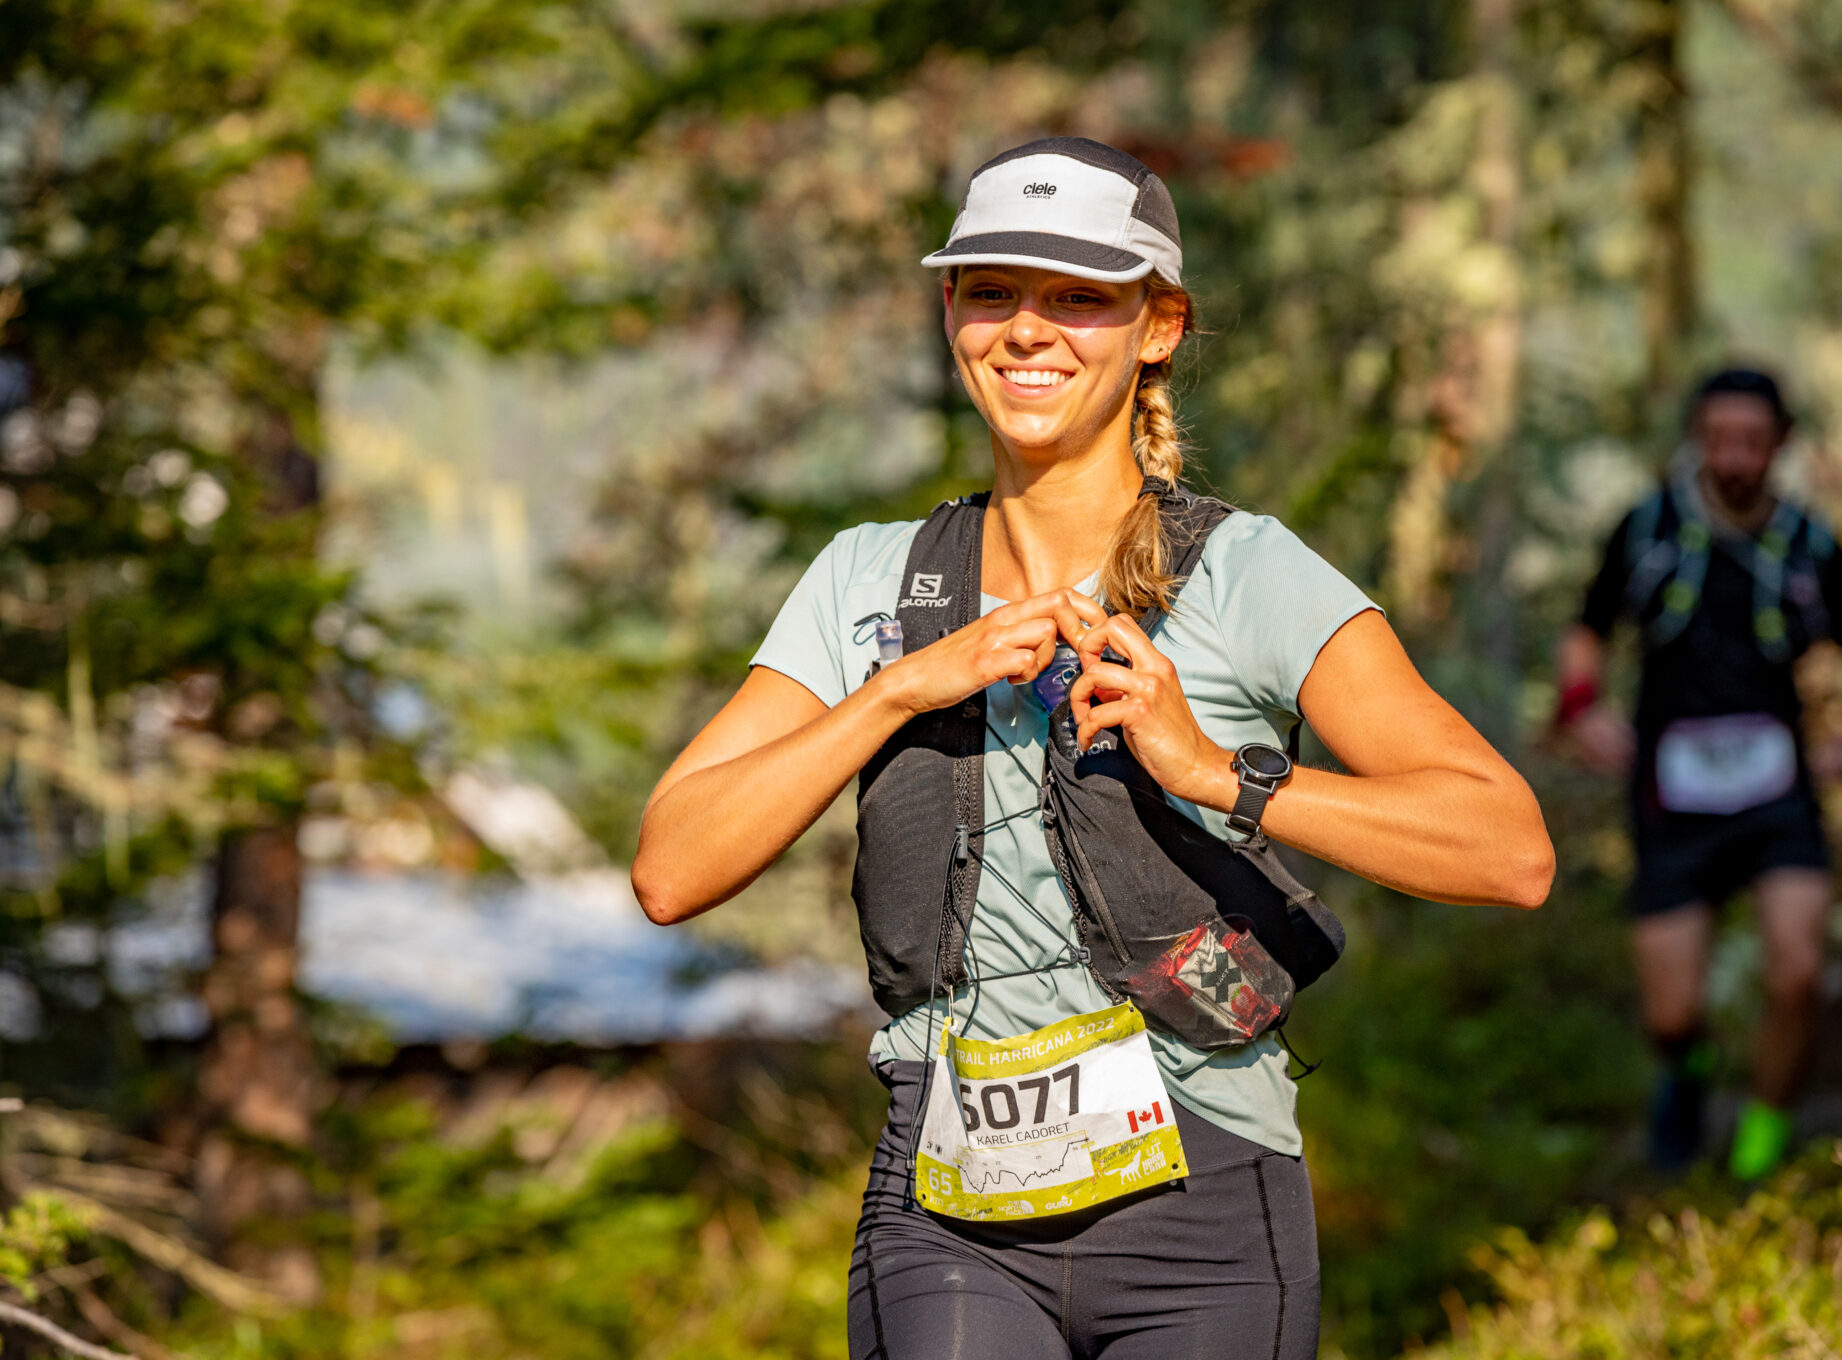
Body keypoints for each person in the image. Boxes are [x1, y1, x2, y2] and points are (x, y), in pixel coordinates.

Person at [632, 137, 1553, 1360]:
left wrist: (1215, 772)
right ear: (950, 313)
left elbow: (1509, 849)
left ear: (1158, 326)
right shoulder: (867, 582)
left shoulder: (1248, 572)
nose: (1027, 330)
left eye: (1078, 297)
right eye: (991, 291)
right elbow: (671, 867)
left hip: (1209, 1210)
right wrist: (898, 690)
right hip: (945, 1215)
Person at [1555, 367, 1842, 1179]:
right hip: (1671, 799)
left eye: (1752, 441)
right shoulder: (1649, 530)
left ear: (1781, 444)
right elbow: (1587, 628)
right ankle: (1690, 1065)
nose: (1735, 458)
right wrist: (1582, 706)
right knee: (1671, 1014)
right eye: (1718, 440)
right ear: (1696, 439)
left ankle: (1761, 1144)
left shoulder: (1811, 543)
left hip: (1780, 796)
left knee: (1798, 973)